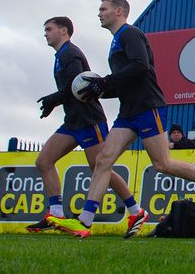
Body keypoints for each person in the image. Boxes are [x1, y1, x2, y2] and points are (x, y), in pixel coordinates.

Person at [48, 0, 195, 238]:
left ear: (119, 11)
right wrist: (99, 91)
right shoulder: (116, 41)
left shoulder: (130, 34)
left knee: (162, 163)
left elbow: (140, 67)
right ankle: (85, 221)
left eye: (104, 9)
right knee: (103, 161)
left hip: (148, 107)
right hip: (128, 112)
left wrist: (104, 82)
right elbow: (124, 81)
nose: (99, 13)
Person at [27, 16, 145, 238]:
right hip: (72, 122)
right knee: (43, 161)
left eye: (49, 29)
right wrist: (55, 102)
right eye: (45, 30)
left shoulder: (70, 53)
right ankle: (57, 213)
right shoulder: (60, 55)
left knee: (101, 169)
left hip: (89, 121)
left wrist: (53, 99)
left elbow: (74, 86)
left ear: (64, 31)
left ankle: (135, 211)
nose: (45, 33)